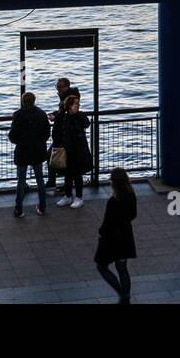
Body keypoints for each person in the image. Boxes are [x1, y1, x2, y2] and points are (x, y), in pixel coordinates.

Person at [94, 167, 137, 303]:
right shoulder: (131, 195)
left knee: (101, 266)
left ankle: (121, 293)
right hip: (125, 236)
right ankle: (126, 296)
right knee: (122, 268)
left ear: (113, 183)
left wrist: (101, 232)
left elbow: (107, 223)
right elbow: (133, 215)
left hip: (112, 239)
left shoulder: (113, 202)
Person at [9, 91, 50, 217]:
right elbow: (47, 133)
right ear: (34, 100)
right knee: (40, 179)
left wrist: (19, 142)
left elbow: (13, 135)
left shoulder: (18, 114)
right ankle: (42, 207)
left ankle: (19, 208)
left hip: (23, 150)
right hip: (37, 150)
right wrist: (40, 141)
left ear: (23, 101)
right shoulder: (41, 114)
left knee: (21, 180)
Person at [57, 94, 92, 209]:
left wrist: (77, 114)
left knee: (77, 173)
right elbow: (58, 129)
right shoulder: (63, 116)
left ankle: (79, 197)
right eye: (76, 103)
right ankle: (67, 195)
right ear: (69, 105)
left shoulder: (79, 115)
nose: (78, 105)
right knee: (68, 173)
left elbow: (86, 123)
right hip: (67, 148)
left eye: (78, 103)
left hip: (78, 149)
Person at [46, 77, 72, 188]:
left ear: (66, 87)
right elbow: (63, 112)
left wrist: (55, 117)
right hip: (62, 135)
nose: (57, 88)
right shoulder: (65, 98)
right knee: (57, 157)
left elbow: (65, 115)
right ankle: (57, 182)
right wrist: (55, 114)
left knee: (51, 155)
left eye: (60, 86)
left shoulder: (68, 99)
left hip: (63, 135)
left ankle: (53, 181)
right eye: (57, 86)